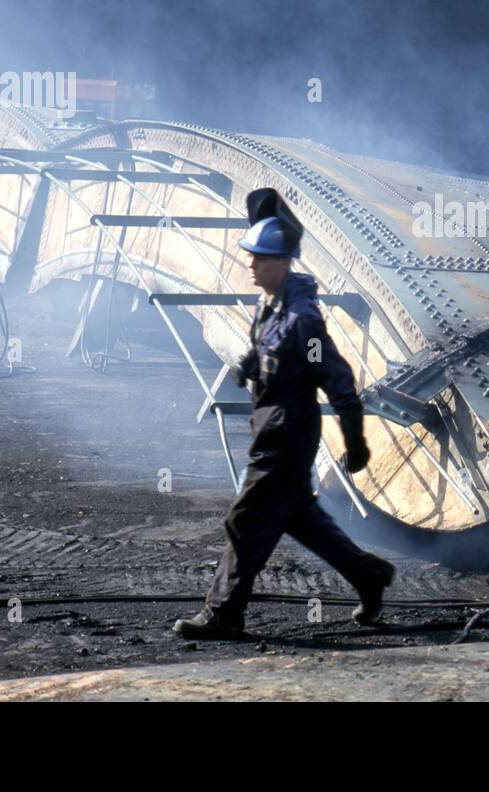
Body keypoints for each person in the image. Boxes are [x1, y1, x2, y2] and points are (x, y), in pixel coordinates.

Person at [173, 188, 395, 640]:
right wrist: (249, 364)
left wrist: (355, 442)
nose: (250, 265)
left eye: (258, 259)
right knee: (301, 518)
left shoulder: (304, 321)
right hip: (269, 430)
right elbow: (266, 348)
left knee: (244, 519)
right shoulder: (269, 307)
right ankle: (367, 574)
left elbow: (334, 376)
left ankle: (223, 614)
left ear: (280, 262)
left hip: (287, 438)